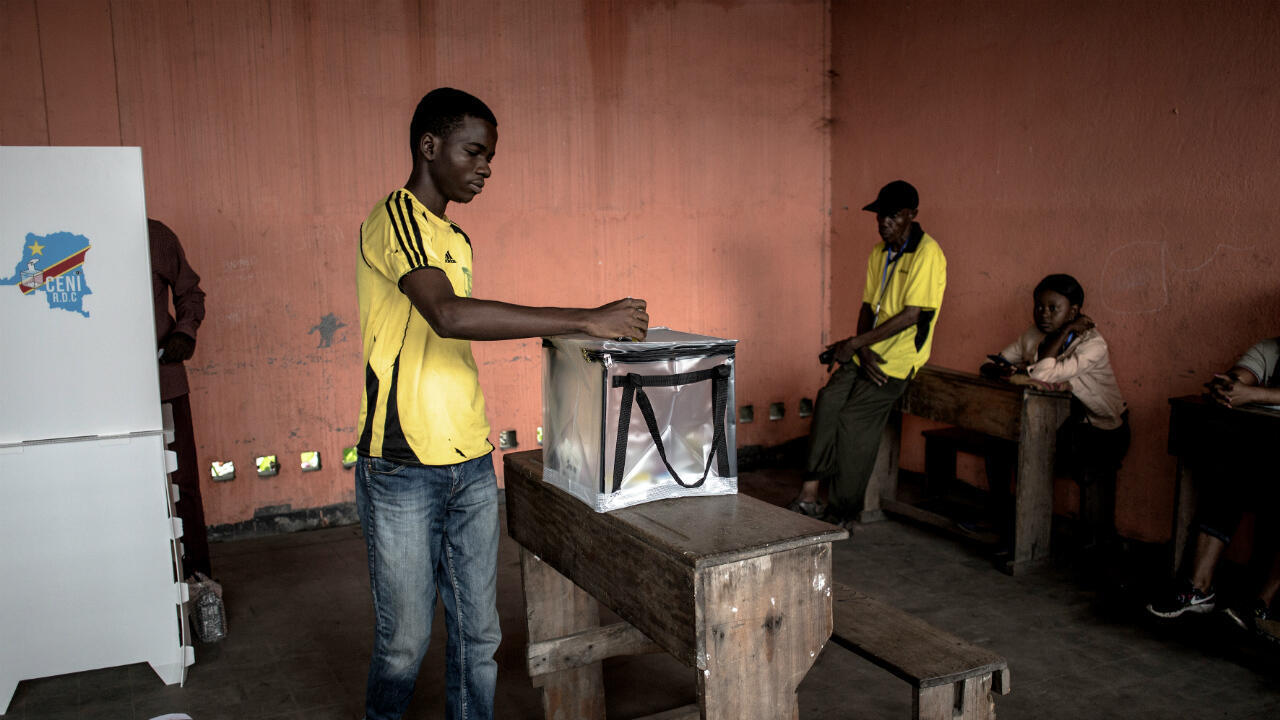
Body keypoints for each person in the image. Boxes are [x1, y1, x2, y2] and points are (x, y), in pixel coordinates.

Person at [354, 88, 648, 720]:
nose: (485, 166)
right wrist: (586, 318)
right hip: (402, 465)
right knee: (405, 644)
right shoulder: (396, 218)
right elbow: (448, 316)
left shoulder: (455, 240)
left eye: (490, 155)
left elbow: (465, 324)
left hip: (468, 459)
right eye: (474, 151)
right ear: (429, 147)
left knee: (479, 636)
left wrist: (582, 330)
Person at [789, 180, 947, 528]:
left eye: (892, 216)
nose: (883, 223)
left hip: (900, 358)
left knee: (855, 421)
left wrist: (858, 345)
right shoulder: (879, 253)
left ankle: (841, 512)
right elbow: (868, 305)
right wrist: (861, 345)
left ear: (911, 215)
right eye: (880, 216)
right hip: (869, 350)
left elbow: (912, 315)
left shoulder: (927, 253)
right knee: (829, 400)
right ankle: (809, 494)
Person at [978, 274, 1130, 552]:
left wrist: (1062, 333)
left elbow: (1044, 372)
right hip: (1062, 422)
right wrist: (1000, 367)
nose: (1043, 314)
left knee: (1035, 452)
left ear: (1073, 311)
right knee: (997, 445)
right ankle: (1006, 523)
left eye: (1053, 308)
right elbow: (998, 360)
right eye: (1038, 306)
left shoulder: (1092, 344)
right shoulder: (1032, 333)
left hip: (1101, 429)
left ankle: (1038, 539)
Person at [1146, 337, 1280, 641]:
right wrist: (1230, 387)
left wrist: (1252, 394)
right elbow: (1240, 378)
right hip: (1266, 457)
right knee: (1226, 477)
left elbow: (1249, 392)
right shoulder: (1272, 350)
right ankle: (1198, 589)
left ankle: (1261, 607)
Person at [149, 218, 211, 579]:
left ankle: (198, 579)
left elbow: (190, 292)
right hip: (106, 392)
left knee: (182, 483)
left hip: (163, 381)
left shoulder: (155, 236)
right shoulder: (75, 247)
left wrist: (185, 332)